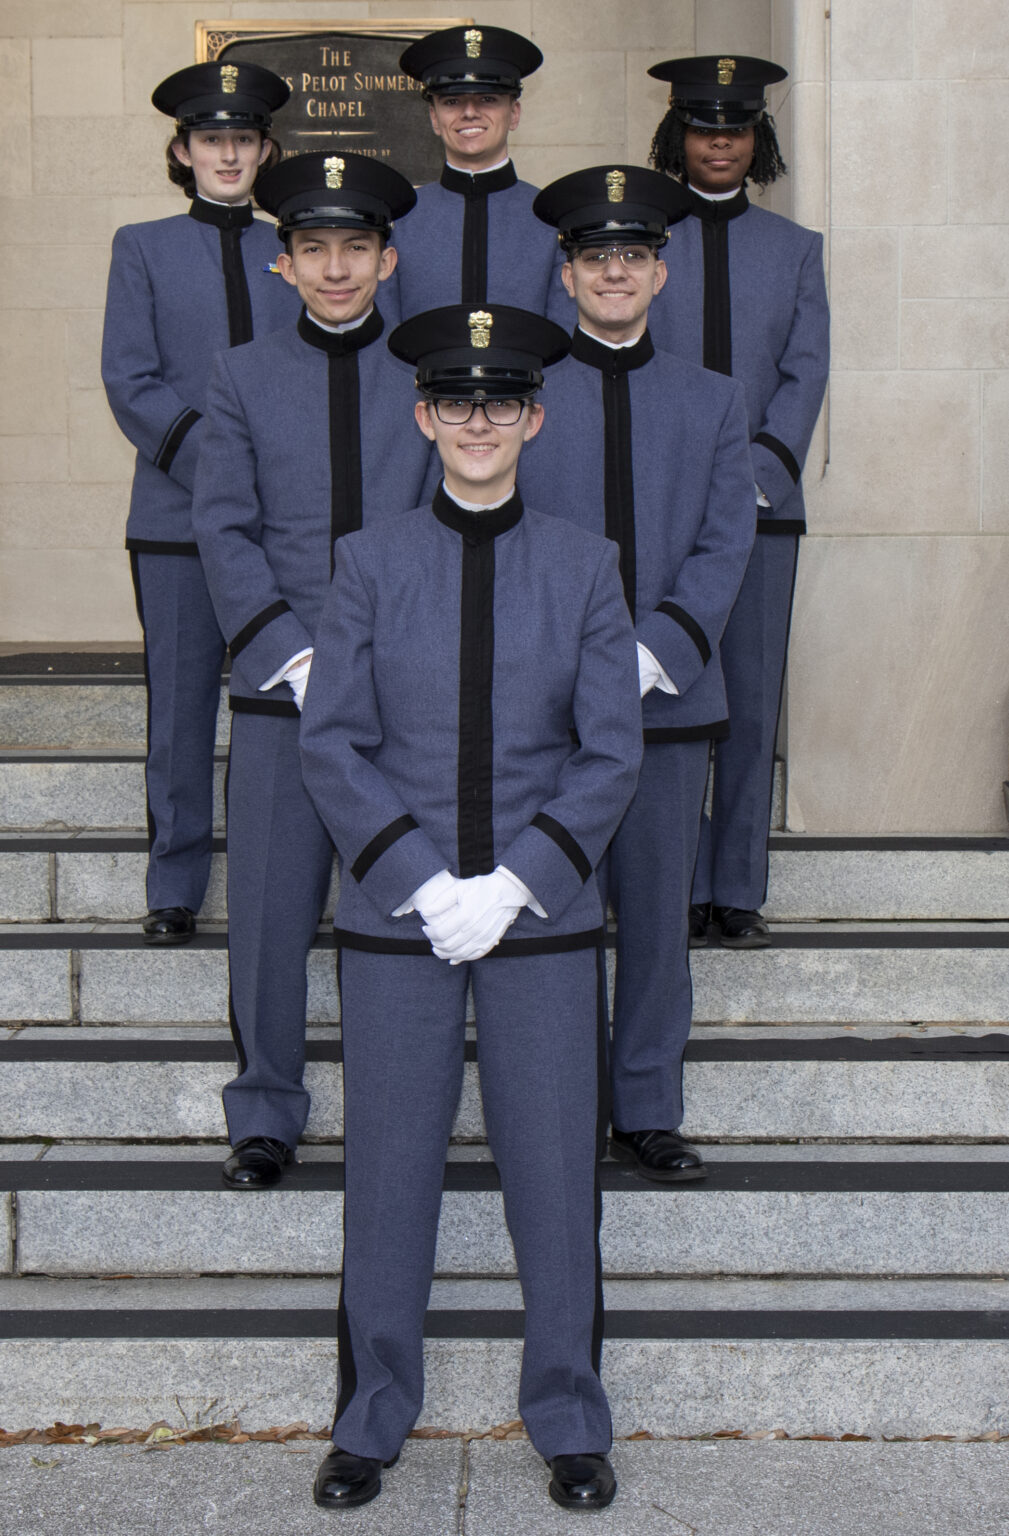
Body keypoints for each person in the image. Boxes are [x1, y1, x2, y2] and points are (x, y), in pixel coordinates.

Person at [298, 305, 642, 1512]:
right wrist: (419, 879)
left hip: (539, 918)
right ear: (422, 416)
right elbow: (332, 743)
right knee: (388, 1171)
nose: (478, 422)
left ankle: (567, 1416)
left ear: (534, 419)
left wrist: (517, 880)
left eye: (501, 404)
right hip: (400, 919)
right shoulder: (367, 560)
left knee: (553, 1172)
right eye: (456, 404)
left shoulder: (584, 562)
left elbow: (609, 752)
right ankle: (371, 1417)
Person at [191, 152, 434, 1191]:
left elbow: (440, 520)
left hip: (400, 698)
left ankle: (405, 1105)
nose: (335, 268)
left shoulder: (429, 373)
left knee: (401, 910)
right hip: (282, 690)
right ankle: (264, 1112)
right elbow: (224, 526)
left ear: (388, 258)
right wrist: (287, 651)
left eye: (354, 248)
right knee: (270, 913)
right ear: (281, 264)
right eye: (312, 249)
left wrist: (389, 655)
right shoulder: (241, 376)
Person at [521, 166, 757, 1181]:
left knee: (657, 916)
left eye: (631, 257)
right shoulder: (521, 397)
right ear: (564, 274)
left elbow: (721, 539)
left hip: (669, 701)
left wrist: (655, 649)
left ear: (659, 274)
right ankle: (561, 1105)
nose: (612, 273)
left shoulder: (709, 400)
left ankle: (646, 1106)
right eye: (592, 258)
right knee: (558, 918)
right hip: (546, 711)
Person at [101, 61, 292, 945]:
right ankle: (174, 884)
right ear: (181, 150)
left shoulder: (294, 249)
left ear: (264, 150)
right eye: (211, 139)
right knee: (179, 708)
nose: (228, 153)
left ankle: (279, 868)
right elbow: (130, 380)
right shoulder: (141, 245)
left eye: (242, 139)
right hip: (176, 523)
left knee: (277, 705)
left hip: (281, 529)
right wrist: (223, 463)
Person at [646, 55, 830, 949]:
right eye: (702, 127)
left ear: (758, 140)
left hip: (763, 511)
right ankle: (670, 882)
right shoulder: (638, 242)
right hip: (657, 512)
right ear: (675, 136)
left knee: (751, 703)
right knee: (669, 694)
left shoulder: (794, 252)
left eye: (735, 128)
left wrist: (758, 473)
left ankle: (736, 888)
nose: (718, 142)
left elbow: (803, 374)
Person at [388, 24, 569, 323]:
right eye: (451, 101)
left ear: (514, 114)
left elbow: (565, 341)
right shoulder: (402, 221)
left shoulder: (550, 219)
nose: (469, 112)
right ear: (434, 118)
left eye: (488, 99)